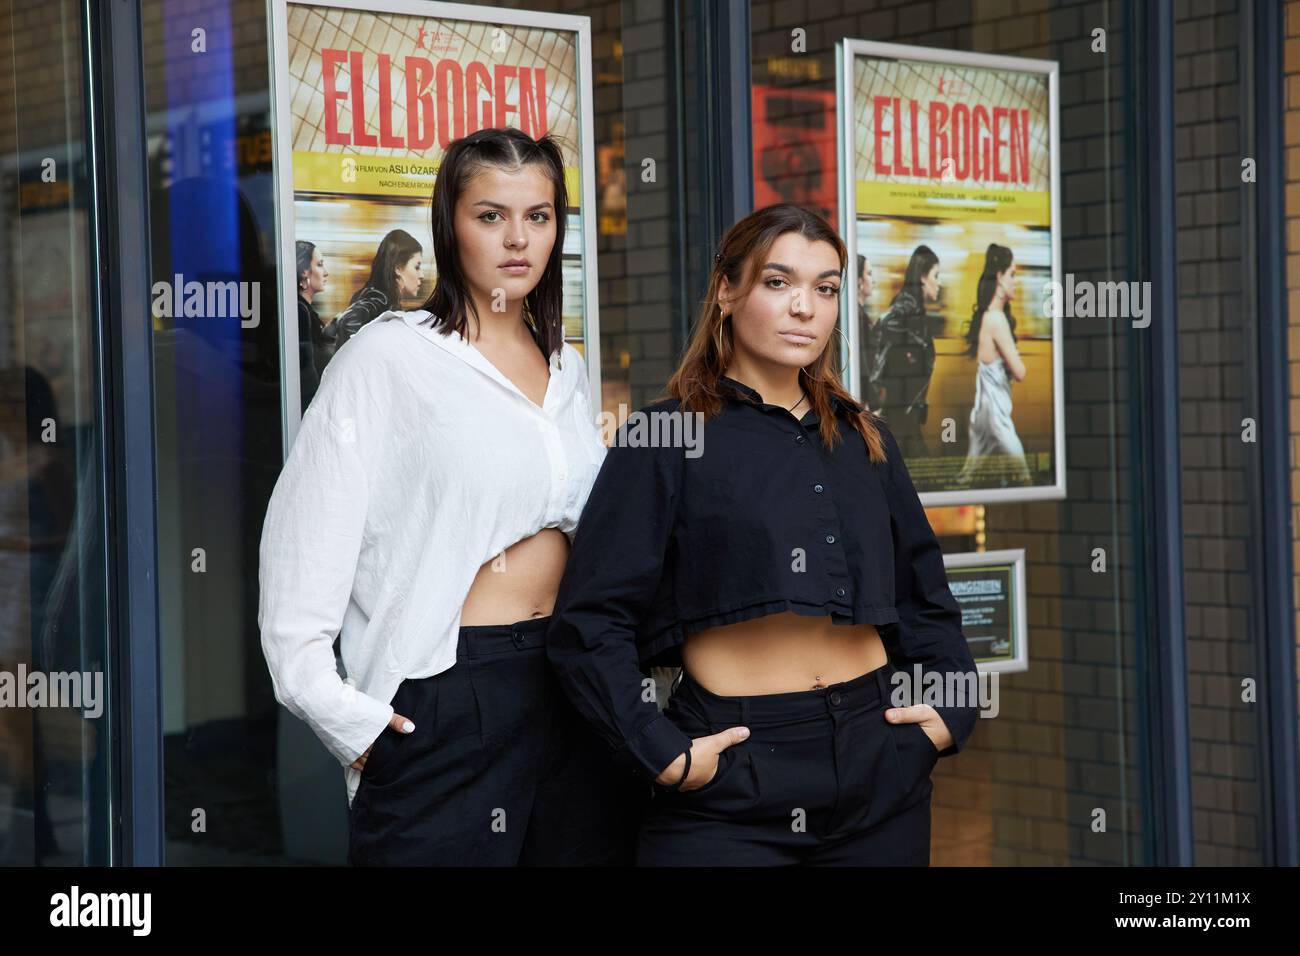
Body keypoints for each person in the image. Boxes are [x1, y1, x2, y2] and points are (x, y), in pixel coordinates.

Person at [546, 203, 980, 866]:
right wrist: (660, 753)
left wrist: (952, 713)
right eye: (778, 283)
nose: (804, 307)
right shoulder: (665, 436)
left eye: (825, 288)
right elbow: (590, 622)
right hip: (730, 780)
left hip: (880, 763)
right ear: (727, 290)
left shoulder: (866, 436)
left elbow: (927, 593)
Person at [259, 127, 643, 866]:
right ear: (449, 224)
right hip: (452, 688)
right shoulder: (389, 357)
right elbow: (301, 551)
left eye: (537, 215)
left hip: (575, 679)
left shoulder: (566, 366)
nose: (517, 239)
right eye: (490, 215)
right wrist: (352, 721)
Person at [956, 243, 1032, 486]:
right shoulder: (996, 320)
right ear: (999, 277)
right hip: (995, 413)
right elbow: (1019, 371)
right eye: (1012, 274)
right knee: (1022, 471)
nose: (1015, 281)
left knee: (969, 474)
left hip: (983, 410)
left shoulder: (990, 318)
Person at [870, 245, 941, 458]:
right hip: (899, 419)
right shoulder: (906, 309)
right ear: (922, 277)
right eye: (936, 275)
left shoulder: (917, 313)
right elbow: (884, 325)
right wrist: (875, 390)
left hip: (907, 417)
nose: (940, 283)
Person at [332, 229, 424, 351]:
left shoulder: (386, 299)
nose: (421, 274)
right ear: (398, 269)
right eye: (417, 267)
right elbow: (348, 321)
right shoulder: (379, 299)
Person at [295, 240, 334, 406]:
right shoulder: (300, 312)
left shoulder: (306, 311)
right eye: (319, 265)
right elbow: (308, 376)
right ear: (304, 272)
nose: (326, 272)